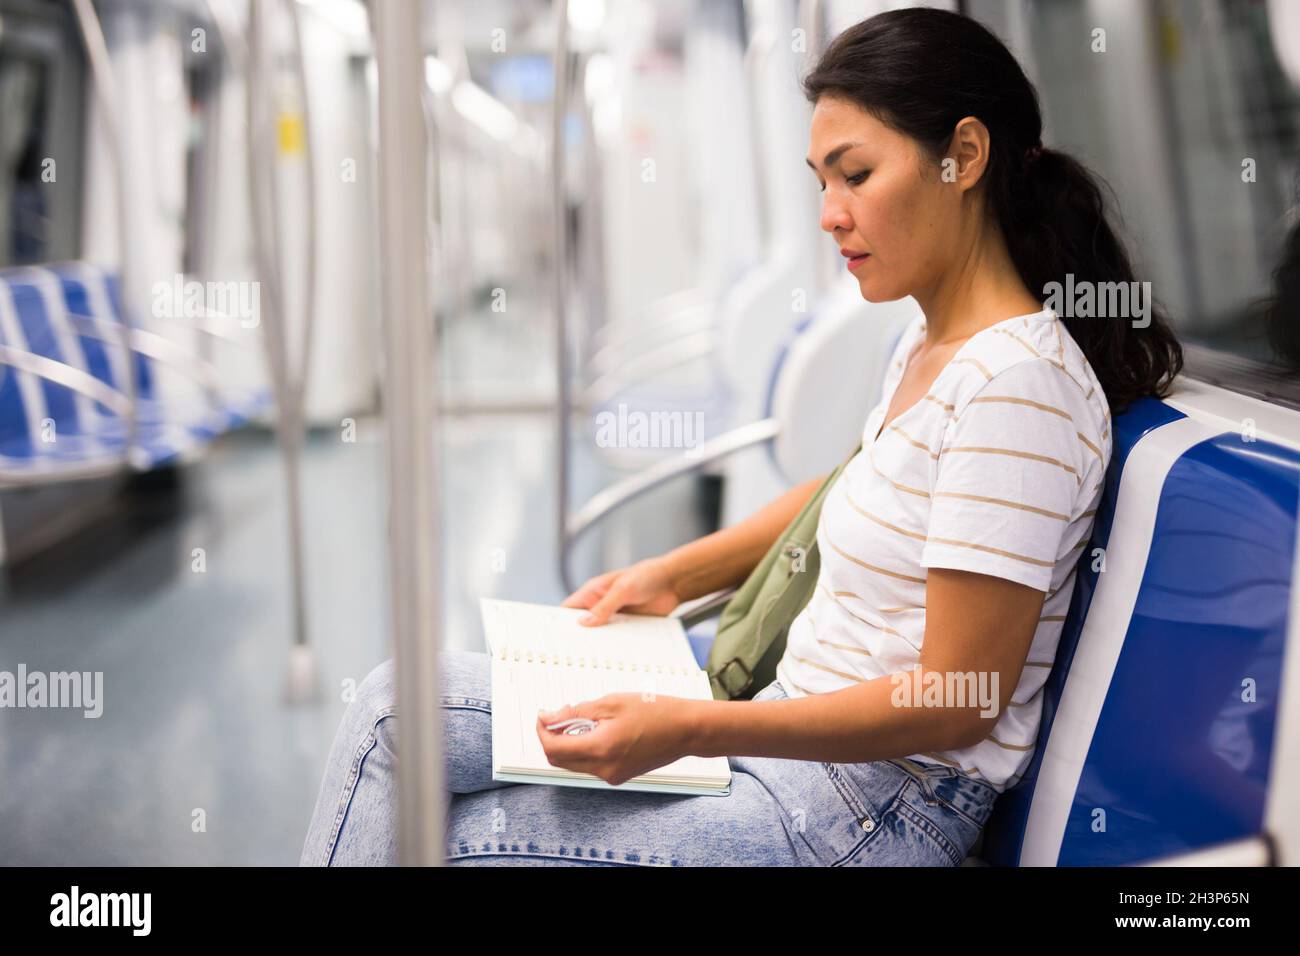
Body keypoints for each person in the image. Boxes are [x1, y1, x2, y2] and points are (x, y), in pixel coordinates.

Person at [300, 7, 1182, 867]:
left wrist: (691, 726)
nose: (831, 214)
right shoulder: (932, 342)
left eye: (856, 175)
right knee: (395, 714)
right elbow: (858, 487)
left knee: (451, 839)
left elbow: (961, 699)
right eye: (820, 181)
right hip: (804, 732)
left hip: (873, 809)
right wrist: (673, 575)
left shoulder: (1016, 390)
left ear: (964, 156)